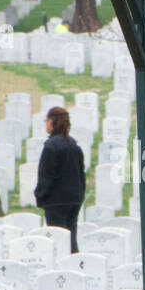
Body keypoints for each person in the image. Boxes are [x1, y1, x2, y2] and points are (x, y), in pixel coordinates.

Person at [36, 106, 86, 253]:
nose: (46, 124)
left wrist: (40, 195)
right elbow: (81, 173)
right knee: (71, 239)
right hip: (74, 200)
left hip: (55, 202)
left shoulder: (51, 147)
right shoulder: (74, 146)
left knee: (58, 241)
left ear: (52, 121)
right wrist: (79, 195)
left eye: (47, 120)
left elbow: (46, 175)